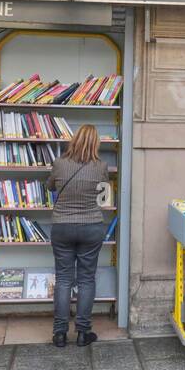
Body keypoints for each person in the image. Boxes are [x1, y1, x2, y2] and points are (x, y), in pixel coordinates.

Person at [46, 123, 110, 347]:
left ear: (74, 140)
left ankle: (60, 334)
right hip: (91, 227)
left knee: (63, 279)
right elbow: (104, 200)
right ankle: (83, 332)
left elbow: (49, 187)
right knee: (86, 279)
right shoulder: (102, 166)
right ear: (96, 143)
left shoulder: (59, 163)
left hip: (62, 226)